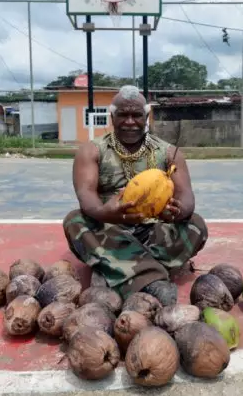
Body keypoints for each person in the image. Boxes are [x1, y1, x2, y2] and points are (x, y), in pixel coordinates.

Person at [62, 85, 208, 304]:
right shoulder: (92, 150)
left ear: (147, 116)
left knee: (196, 225)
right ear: (112, 116)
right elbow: (86, 197)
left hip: (155, 229)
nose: (129, 121)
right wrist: (105, 212)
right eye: (123, 115)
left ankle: (115, 267)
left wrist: (177, 212)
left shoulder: (168, 152)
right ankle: (152, 278)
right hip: (109, 229)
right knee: (74, 221)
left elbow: (186, 196)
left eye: (136, 115)